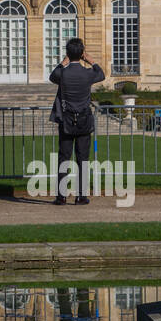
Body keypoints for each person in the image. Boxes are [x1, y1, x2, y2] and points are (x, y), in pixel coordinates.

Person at [48, 38, 105, 205]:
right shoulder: (87, 73)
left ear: (67, 54)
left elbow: (52, 76)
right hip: (83, 120)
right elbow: (101, 74)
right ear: (81, 54)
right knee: (82, 159)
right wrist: (90, 60)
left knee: (64, 158)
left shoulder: (63, 73)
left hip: (66, 120)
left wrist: (62, 63)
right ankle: (81, 196)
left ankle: (61, 196)